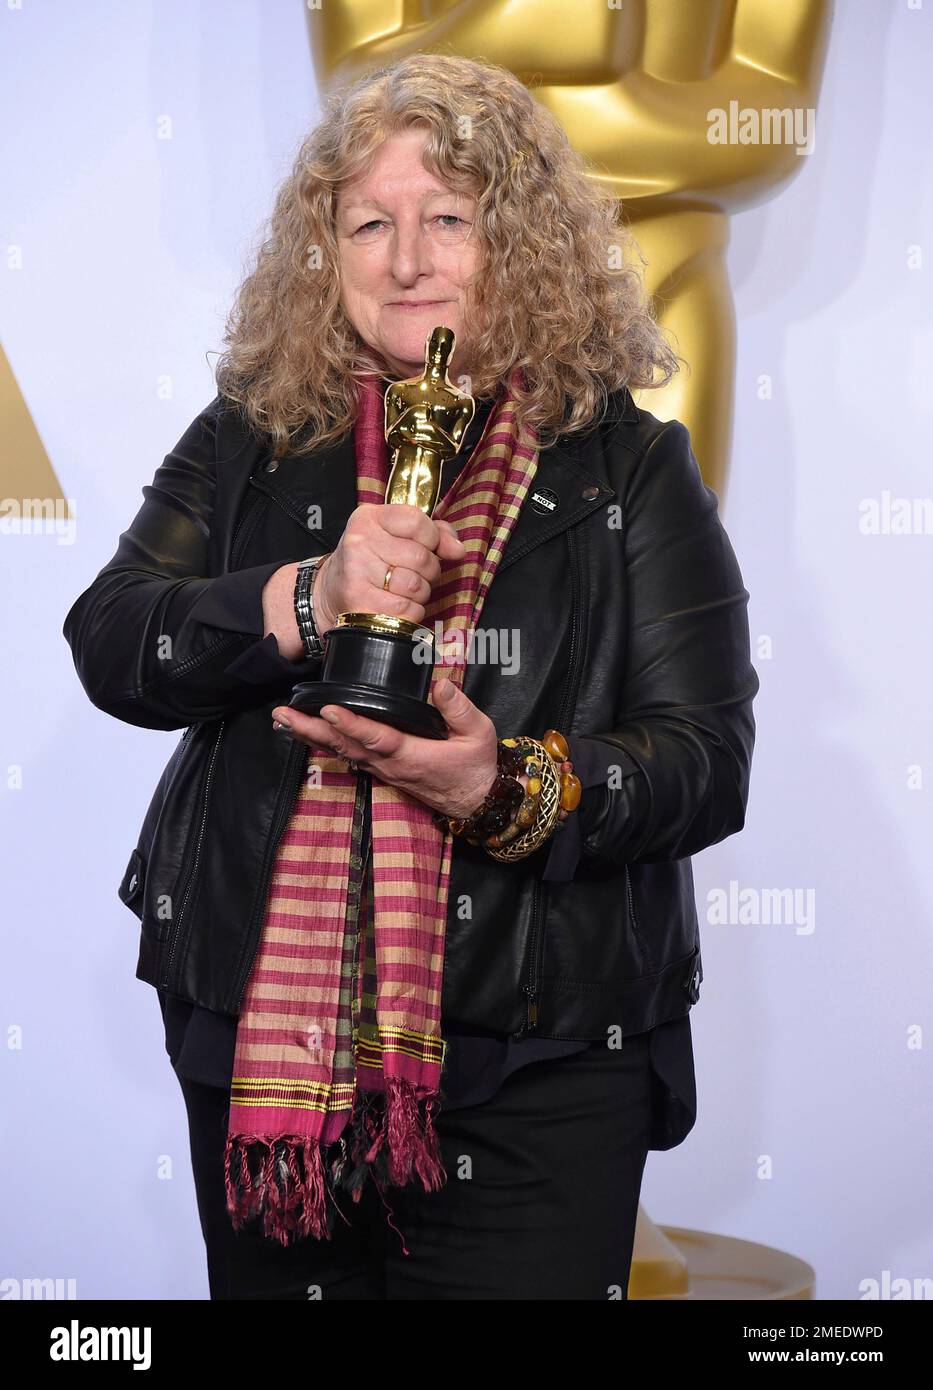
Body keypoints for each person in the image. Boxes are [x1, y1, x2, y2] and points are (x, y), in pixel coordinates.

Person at [63, 53, 758, 1300]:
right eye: (368, 223)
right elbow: (113, 638)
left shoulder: (633, 467)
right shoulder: (250, 437)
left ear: (520, 240)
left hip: (539, 1063)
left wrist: (510, 786)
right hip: (263, 1063)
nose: (405, 259)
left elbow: (704, 762)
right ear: (322, 251)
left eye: (449, 218)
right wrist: (304, 597)